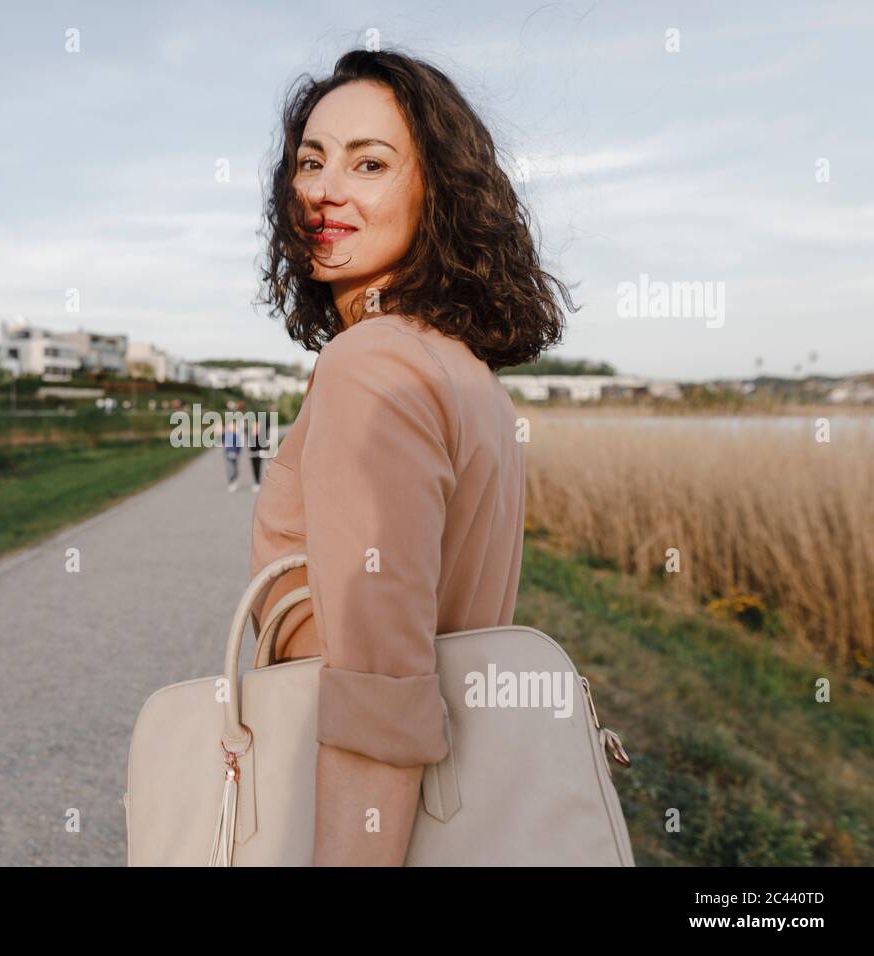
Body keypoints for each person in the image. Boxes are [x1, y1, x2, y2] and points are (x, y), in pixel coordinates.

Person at [249, 49, 576, 866]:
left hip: (384, 823)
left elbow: (379, 688)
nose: (324, 189)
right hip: (453, 803)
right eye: (311, 162)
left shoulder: (373, 366)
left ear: (438, 195)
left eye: (371, 163)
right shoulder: (462, 371)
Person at [244, 414, 269, 492]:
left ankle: (262, 482)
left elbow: (265, 442)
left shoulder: (262, 430)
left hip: (260, 452)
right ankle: (256, 482)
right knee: (254, 467)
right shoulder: (250, 430)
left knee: (262, 466)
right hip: (253, 453)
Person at [221, 420, 243, 491]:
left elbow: (239, 445)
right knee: (229, 468)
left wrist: (238, 452)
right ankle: (231, 481)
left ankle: (234, 478)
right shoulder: (226, 434)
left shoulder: (236, 436)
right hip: (228, 453)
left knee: (235, 468)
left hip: (235, 454)